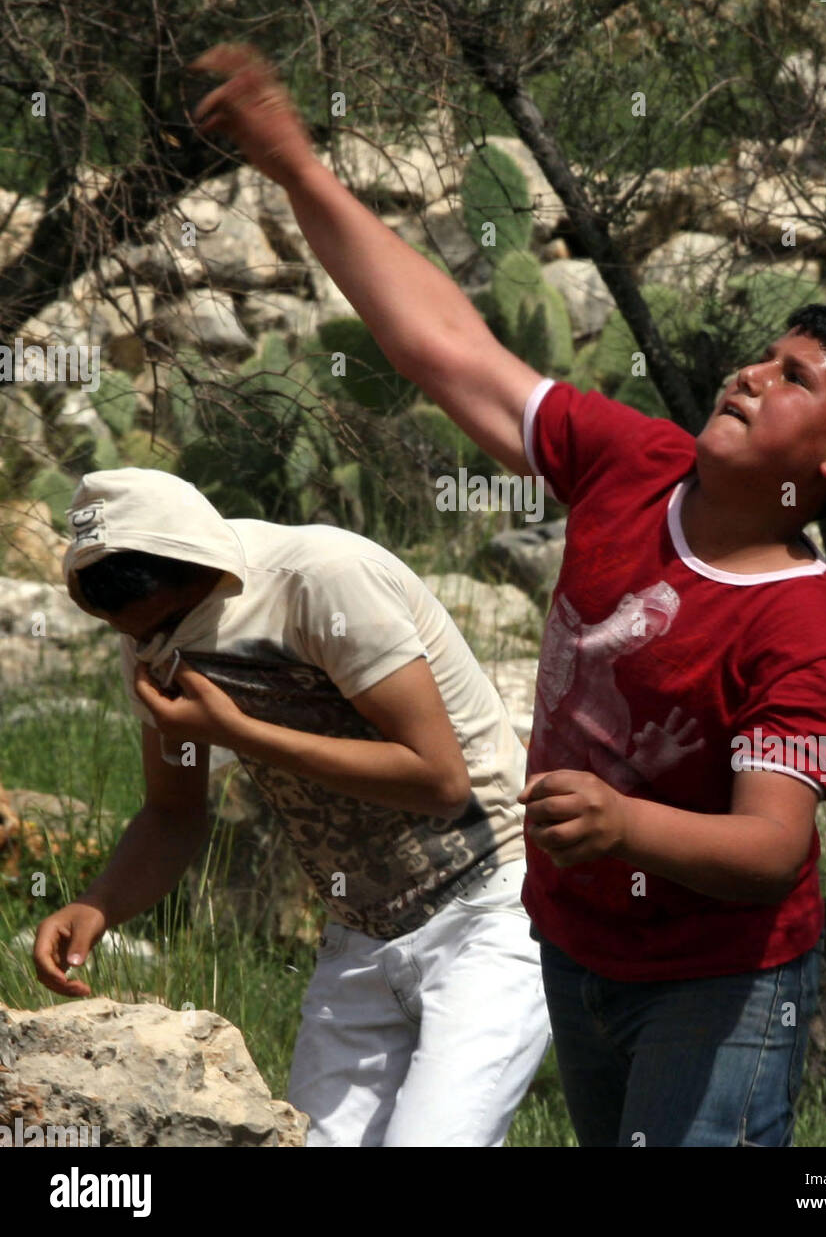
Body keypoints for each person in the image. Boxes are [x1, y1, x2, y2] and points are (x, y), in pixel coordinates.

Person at [184, 45, 826, 1146]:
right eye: (765, 357)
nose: (751, 375)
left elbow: (772, 849)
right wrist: (298, 165)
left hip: (719, 991)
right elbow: (448, 349)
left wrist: (624, 822)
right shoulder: (635, 464)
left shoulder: (802, 637)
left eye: (795, 381)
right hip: (577, 944)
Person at [33, 467, 550, 1147]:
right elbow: (172, 814)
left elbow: (438, 779)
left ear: (204, 567)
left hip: (490, 904)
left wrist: (237, 732)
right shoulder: (149, 635)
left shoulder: (322, 580)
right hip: (359, 937)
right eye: (131, 634)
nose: (152, 646)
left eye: (164, 623)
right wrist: (97, 905)